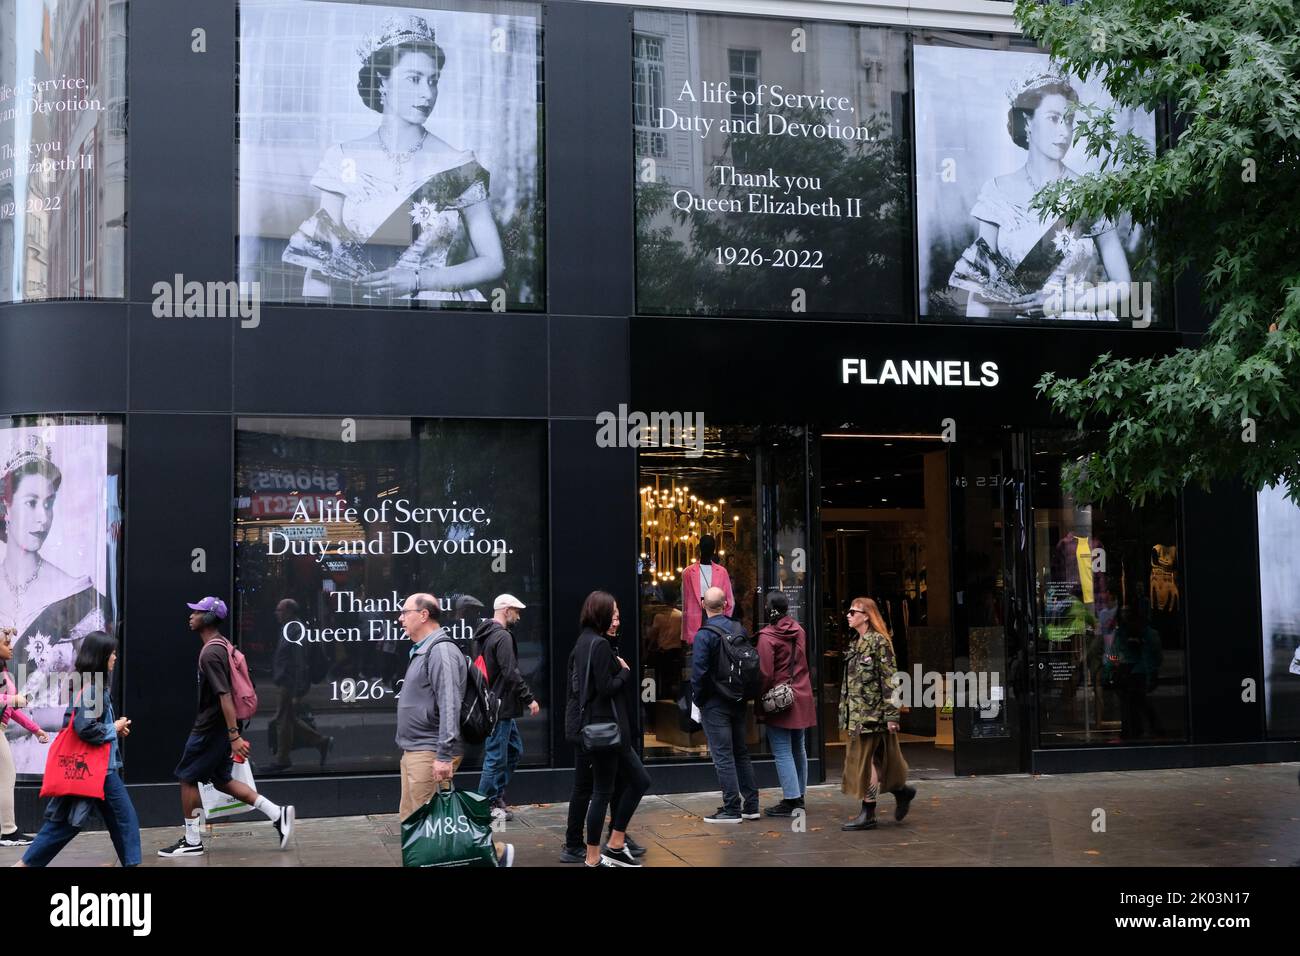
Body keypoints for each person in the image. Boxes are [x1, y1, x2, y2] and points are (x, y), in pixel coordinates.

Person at [285, 13, 505, 306]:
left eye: (433, 81)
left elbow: (493, 262)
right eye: (414, 79)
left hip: (434, 310)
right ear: (382, 80)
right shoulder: (342, 157)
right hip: (358, 311)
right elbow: (322, 263)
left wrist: (417, 280)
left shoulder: (457, 164)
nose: (427, 93)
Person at [950, 67, 1134, 321]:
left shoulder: (1090, 193)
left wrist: (1059, 303)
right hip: (1016, 335)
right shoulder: (996, 191)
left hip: (1078, 329)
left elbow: (1123, 286)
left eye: (1068, 120)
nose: (1064, 131)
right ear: (1027, 121)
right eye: (1053, 118)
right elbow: (981, 285)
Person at [0, 435, 107, 775]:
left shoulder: (75, 592)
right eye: (31, 502)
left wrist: (31, 718)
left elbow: (90, 689)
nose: (42, 518)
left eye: (49, 503)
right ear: (6, 506)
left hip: (52, 752)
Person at [157, 597, 296, 858]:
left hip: (211, 727)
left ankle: (192, 840)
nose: (191, 615)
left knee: (187, 778)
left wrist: (233, 737)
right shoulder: (222, 644)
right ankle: (277, 814)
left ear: (208, 617)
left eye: (197, 612)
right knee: (222, 780)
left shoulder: (211, 652)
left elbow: (225, 695)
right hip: (220, 727)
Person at [395, 591, 512, 867]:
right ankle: (496, 853)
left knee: (426, 822)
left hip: (430, 749)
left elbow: (449, 702)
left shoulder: (441, 651)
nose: (400, 618)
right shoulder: (424, 649)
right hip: (417, 749)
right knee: (417, 820)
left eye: (405, 612)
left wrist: (444, 754)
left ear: (423, 615)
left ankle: (495, 853)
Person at [14, 631, 139, 867]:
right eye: (112, 653)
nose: (115, 657)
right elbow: (85, 728)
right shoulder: (93, 689)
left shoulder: (89, 685)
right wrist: (114, 727)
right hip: (99, 769)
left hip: (95, 768)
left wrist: (113, 728)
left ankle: (26, 864)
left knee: (72, 822)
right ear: (101, 656)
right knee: (124, 819)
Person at [566, 591, 650, 867]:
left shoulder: (584, 642)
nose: (616, 620)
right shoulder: (598, 645)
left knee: (634, 781)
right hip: (605, 731)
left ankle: (615, 842)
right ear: (600, 614)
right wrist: (624, 672)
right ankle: (595, 855)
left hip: (602, 730)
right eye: (612, 614)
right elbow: (604, 688)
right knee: (603, 791)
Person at [839, 598, 916, 831]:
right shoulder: (856, 642)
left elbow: (890, 680)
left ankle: (869, 811)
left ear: (867, 615)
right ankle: (902, 791)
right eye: (849, 611)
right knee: (879, 761)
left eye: (854, 612)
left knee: (868, 762)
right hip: (858, 715)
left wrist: (892, 716)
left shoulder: (879, 642)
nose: (848, 615)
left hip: (873, 716)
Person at [692, 586, 759, 824]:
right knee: (740, 752)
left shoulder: (703, 635)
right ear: (726, 604)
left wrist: (698, 700)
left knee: (722, 755)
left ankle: (731, 808)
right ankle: (751, 805)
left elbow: (698, 673)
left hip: (715, 702)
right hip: (737, 699)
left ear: (703, 605)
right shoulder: (738, 628)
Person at [475, 594, 539, 822]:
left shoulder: (485, 633)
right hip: (499, 706)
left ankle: (495, 797)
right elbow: (511, 672)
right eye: (516, 611)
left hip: (496, 705)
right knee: (494, 758)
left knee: (513, 751)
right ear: (505, 610)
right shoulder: (501, 636)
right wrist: (529, 698)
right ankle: (484, 806)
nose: (518, 616)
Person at [755, 591, 816, 817]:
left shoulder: (767, 636)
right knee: (798, 748)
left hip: (779, 698)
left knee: (782, 750)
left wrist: (760, 701)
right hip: (800, 694)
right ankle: (799, 795)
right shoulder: (799, 630)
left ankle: (791, 800)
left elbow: (765, 674)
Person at [266, 598, 333, 773]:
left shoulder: (295, 629)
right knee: (287, 718)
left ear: (289, 612)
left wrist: (298, 690)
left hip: (289, 682)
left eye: (280, 610)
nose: (276, 613)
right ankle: (321, 741)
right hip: (285, 680)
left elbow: (299, 660)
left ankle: (282, 759)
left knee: (283, 719)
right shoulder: (289, 628)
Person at [1, 626, 48, 846]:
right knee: (6, 778)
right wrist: (13, 700)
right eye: (6, 644)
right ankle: (8, 832)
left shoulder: (3, 672)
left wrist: (36, 729)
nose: (10, 647)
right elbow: (11, 704)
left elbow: (12, 710)